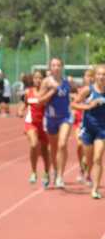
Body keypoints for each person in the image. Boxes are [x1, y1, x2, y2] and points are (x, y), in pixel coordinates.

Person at [71, 64, 105, 199]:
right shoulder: (88, 90)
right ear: (95, 76)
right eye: (99, 74)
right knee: (89, 160)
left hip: (102, 130)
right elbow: (73, 104)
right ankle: (86, 171)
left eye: (104, 74)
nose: (102, 77)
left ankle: (95, 189)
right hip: (88, 129)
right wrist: (89, 106)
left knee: (98, 158)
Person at [40, 57, 74, 189]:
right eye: (53, 65)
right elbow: (40, 100)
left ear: (62, 67)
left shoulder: (67, 81)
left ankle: (60, 176)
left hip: (65, 117)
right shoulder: (46, 82)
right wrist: (52, 91)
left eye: (58, 65)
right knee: (53, 148)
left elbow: (77, 92)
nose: (56, 68)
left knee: (62, 144)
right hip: (51, 118)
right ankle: (55, 170)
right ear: (50, 67)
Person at [21, 72, 50, 187]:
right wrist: (20, 110)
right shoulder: (28, 92)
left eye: (40, 78)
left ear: (44, 80)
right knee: (34, 144)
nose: (38, 80)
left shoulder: (48, 92)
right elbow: (25, 104)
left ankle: (46, 172)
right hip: (31, 123)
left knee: (44, 151)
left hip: (44, 125)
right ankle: (33, 172)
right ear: (33, 80)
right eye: (36, 78)